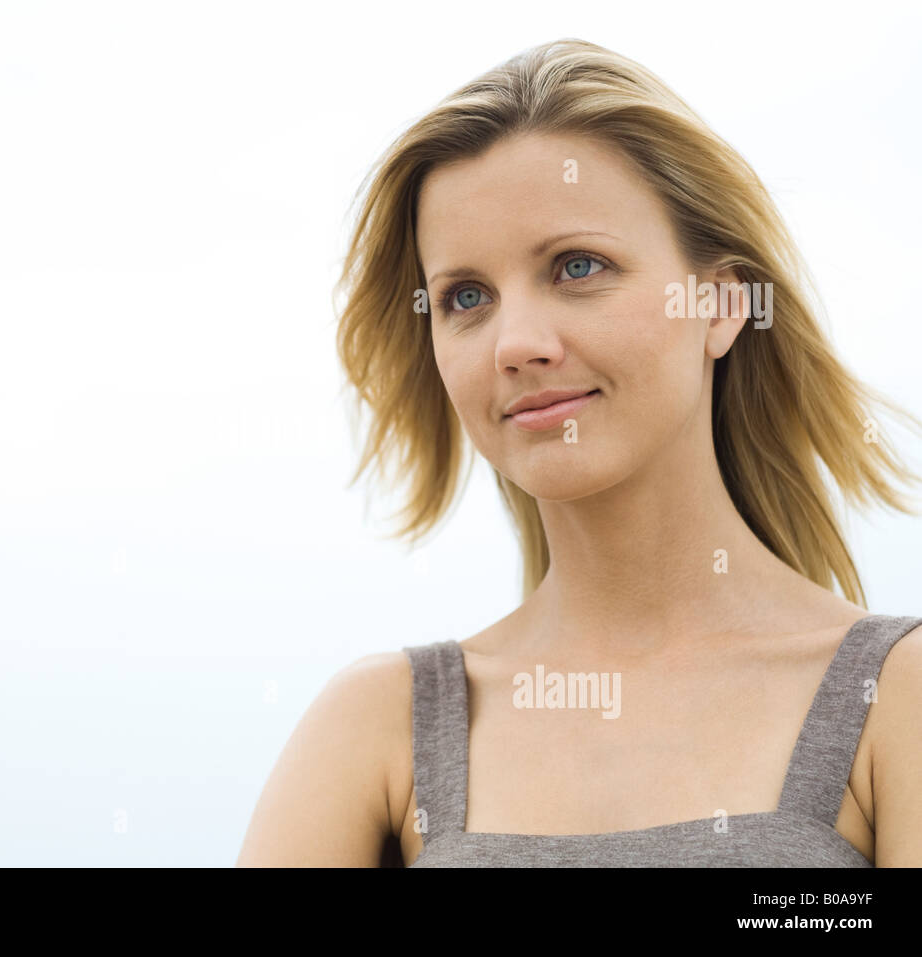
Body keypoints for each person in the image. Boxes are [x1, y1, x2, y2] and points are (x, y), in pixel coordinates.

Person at [236, 38, 922, 867]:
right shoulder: (376, 728)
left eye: (578, 266)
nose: (515, 343)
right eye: (466, 297)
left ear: (720, 304)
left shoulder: (893, 698)